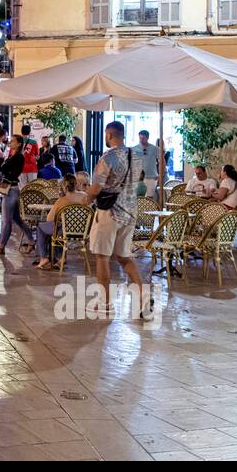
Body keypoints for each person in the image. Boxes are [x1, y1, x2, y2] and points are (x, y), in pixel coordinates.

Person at [85, 120, 152, 321]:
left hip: (110, 213)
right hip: (130, 213)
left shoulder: (108, 157)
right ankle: (143, 294)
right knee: (124, 257)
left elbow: (96, 187)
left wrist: (85, 198)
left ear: (109, 135)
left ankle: (104, 303)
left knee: (102, 256)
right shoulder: (137, 155)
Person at [0, 135, 35, 256]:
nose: (10, 142)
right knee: (16, 219)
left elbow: (9, 171)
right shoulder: (13, 155)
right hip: (11, 189)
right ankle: (31, 240)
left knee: (6, 220)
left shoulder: (19, 157)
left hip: (11, 190)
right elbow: (4, 168)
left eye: (13, 141)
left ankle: (1, 246)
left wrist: (2, 166)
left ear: (19, 143)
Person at [33, 173, 90, 269]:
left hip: (64, 230)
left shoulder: (62, 200)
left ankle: (43, 258)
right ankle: (60, 259)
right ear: (76, 184)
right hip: (82, 231)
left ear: (63, 186)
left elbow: (49, 219)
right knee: (59, 227)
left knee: (41, 227)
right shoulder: (84, 196)